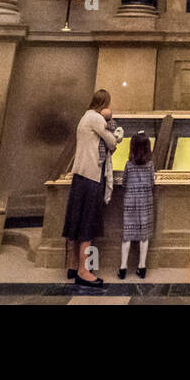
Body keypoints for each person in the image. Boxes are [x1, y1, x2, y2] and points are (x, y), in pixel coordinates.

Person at [62, 89, 122, 286]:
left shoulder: (85, 117)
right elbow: (111, 142)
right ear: (104, 104)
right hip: (91, 177)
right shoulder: (96, 118)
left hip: (80, 176)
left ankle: (73, 265)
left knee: (77, 223)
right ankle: (84, 270)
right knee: (88, 224)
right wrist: (110, 119)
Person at [119, 131, 154, 280]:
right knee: (144, 236)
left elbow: (124, 183)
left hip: (130, 202)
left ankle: (123, 267)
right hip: (145, 201)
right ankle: (142, 266)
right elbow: (152, 183)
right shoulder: (150, 165)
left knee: (127, 235)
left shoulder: (129, 165)